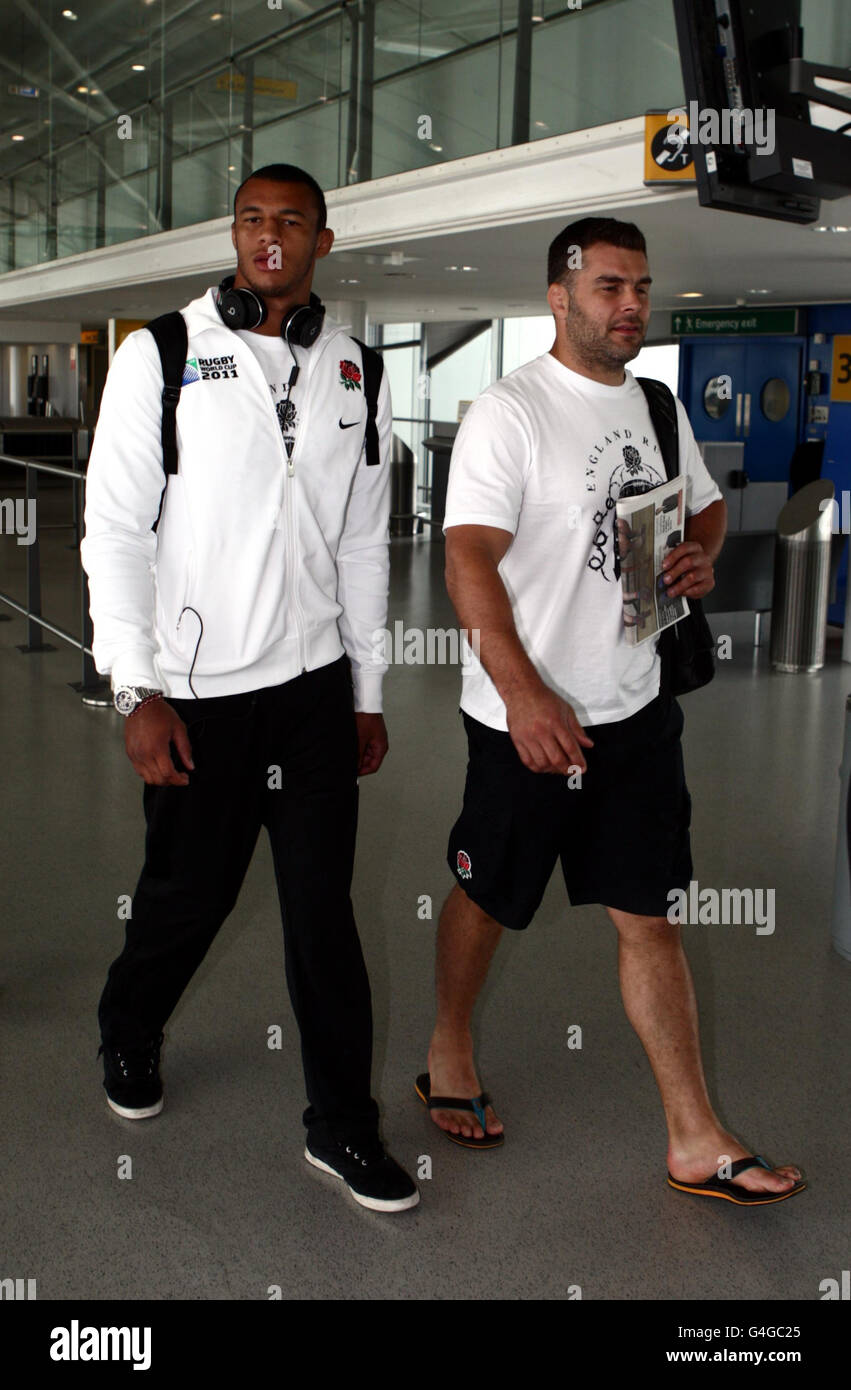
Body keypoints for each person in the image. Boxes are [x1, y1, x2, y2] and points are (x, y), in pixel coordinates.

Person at [418, 217, 806, 1206]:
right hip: (525, 713)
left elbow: (702, 503)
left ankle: (692, 1134)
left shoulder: (657, 403)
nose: (629, 304)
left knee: (650, 920)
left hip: (633, 707)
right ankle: (447, 1043)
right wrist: (522, 694)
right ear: (558, 296)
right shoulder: (511, 413)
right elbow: (464, 557)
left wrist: (700, 550)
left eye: (638, 287)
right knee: (489, 894)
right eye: (606, 287)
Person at [81, 163, 418, 1214]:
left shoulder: (353, 370)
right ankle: (129, 1029)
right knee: (190, 896)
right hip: (199, 694)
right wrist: (134, 688)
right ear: (234, 236)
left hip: (312, 690)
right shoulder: (164, 353)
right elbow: (113, 531)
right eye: (249, 221)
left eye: (289, 222)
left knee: (322, 911)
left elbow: (365, 544)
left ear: (324, 237)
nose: (267, 237)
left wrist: (365, 692)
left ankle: (341, 1126)